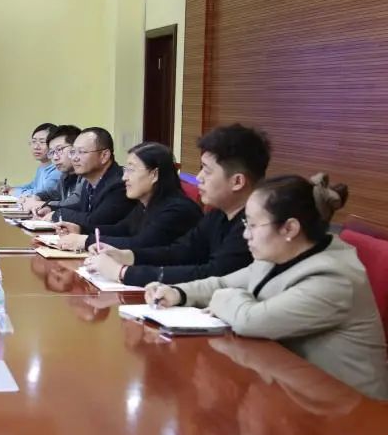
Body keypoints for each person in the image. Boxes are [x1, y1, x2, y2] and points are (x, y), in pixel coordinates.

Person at [145, 174, 388, 400]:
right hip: (295, 389)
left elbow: (249, 319)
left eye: (252, 225)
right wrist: (178, 292)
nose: (245, 235)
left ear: (289, 228)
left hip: (348, 412)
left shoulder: (333, 277)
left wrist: (225, 298)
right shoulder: (280, 254)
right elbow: (224, 282)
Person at [86, 123, 270, 286]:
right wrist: (128, 256)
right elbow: (181, 251)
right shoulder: (219, 214)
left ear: (237, 182)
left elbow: (213, 275)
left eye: (206, 170)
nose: (198, 178)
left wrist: (123, 273)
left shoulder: (255, 226)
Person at [56, 142, 202, 251]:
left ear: (154, 174)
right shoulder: (146, 203)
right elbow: (122, 229)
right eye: (125, 170)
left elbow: (140, 245)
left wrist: (86, 241)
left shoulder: (177, 210)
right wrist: (80, 229)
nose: (124, 177)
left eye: (131, 170)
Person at [35, 127, 135, 228]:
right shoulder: (89, 181)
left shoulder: (119, 184)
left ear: (104, 156)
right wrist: (50, 208)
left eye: (81, 152)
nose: (74, 158)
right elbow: (78, 208)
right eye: (73, 152)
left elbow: (96, 221)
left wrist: (59, 214)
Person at [19, 124, 82, 212]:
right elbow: (53, 194)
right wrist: (37, 197)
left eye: (59, 149)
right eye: (52, 152)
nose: (55, 157)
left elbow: (75, 203)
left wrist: (41, 204)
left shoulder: (86, 175)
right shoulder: (65, 175)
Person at [2, 123, 60, 198]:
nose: (36, 147)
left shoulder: (57, 170)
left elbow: (41, 194)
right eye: (34, 141)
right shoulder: (42, 167)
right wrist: (12, 188)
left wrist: (15, 192)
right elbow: (32, 186)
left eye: (42, 142)